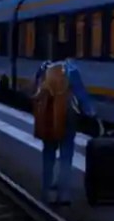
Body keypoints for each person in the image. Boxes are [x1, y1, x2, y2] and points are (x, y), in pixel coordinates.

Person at [32, 41, 96, 205]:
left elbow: (35, 90)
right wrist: (91, 112)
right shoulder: (71, 69)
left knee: (48, 153)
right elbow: (81, 94)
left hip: (47, 118)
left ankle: (47, 190)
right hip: (67, 118)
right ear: (68, 55)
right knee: (66, 154)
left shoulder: (43, 67)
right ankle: (64, 194)